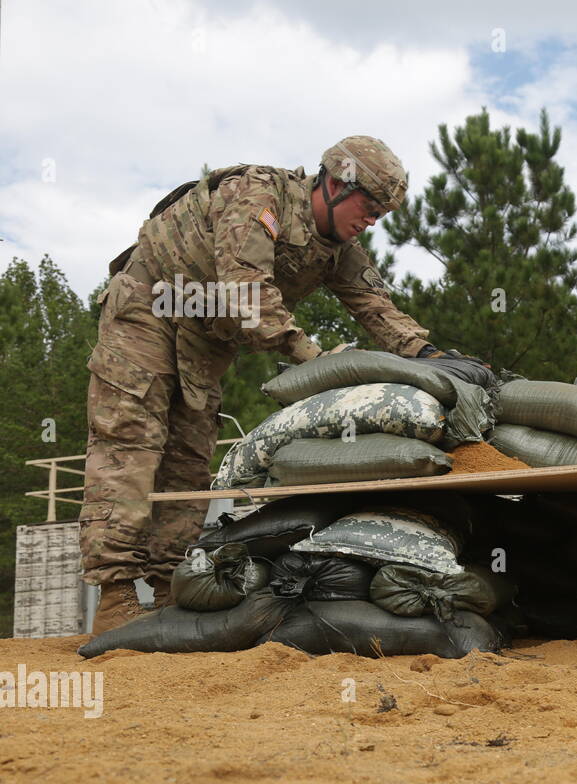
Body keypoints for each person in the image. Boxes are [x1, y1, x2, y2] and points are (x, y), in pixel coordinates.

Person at [81, 135, 457, 635]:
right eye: (369, 206)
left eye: (381, 213)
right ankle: (116, 593)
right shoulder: (260, 196)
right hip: (148, 311)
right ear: (336, 184)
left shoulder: (338, 249)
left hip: (204, 340)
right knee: (131, 444)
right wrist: (312, 358)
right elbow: (245, 289)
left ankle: (171, 583)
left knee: (189, 459)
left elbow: (374, 305)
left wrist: (427, 355)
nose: (372, 219)